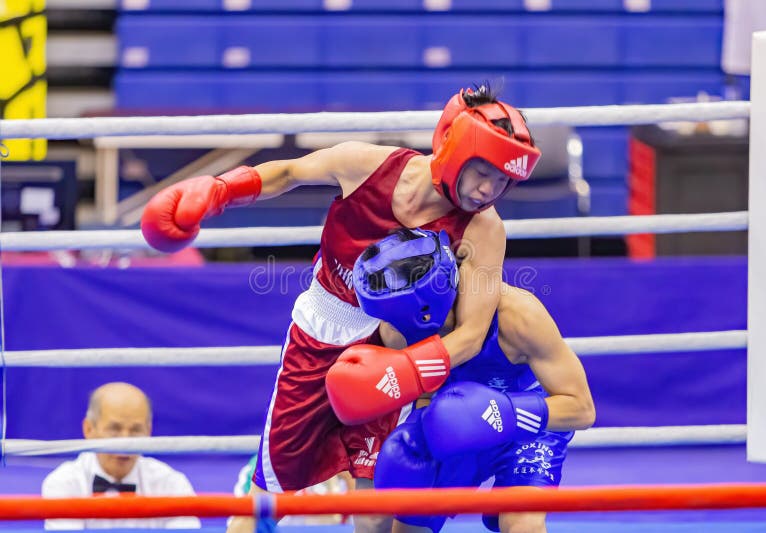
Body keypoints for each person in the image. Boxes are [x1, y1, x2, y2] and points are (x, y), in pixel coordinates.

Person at [141, 85, 541, 533]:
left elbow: (470, 333)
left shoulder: (485, 230)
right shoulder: (368, 165)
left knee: (374, 513)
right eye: (484, 171)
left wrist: (405, 372)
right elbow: (289, 172)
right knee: (269, 493)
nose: (490, 189)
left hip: (396, 352)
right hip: (318, 336)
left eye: (504, 180)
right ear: (452, 148)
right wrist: (221, 191)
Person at [350, 229, 595, 533]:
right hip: (452, 426)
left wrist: (505, 414)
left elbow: (582, 410)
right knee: (408, 515)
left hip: (528, 431)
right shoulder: (395, 334)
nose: (388, 324)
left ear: (424, 309)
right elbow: (426, 396)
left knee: (522, 524)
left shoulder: (517, 316)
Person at [41, 382, 201, 530]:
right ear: (89, 429)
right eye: (114, 429)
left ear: (148, 431)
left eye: (136, 430)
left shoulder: (171, 484)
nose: (126, 442)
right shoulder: (63, 483)